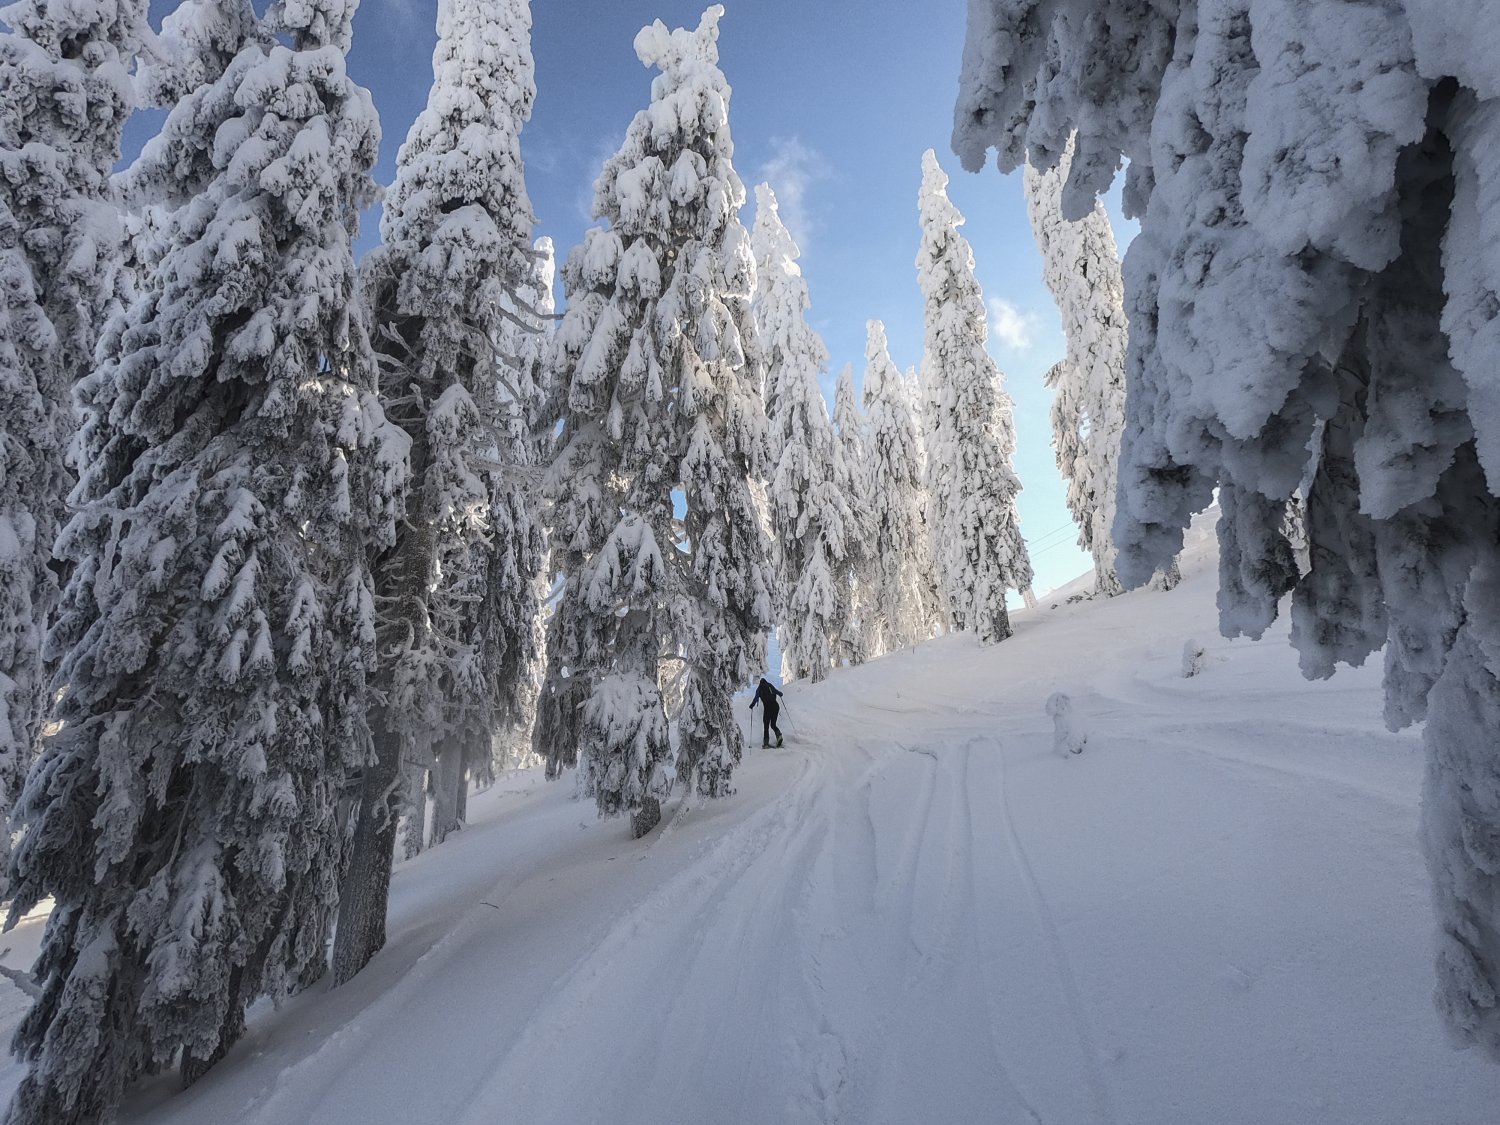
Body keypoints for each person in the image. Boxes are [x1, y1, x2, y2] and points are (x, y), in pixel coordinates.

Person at [749, 676, 784, 748]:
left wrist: (752, 705)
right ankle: (779, 735)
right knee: (773, 724)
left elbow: (756, 698)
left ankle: (766, 743)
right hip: (775, 706)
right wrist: (780, 694)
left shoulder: (759, 688)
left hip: (768, 707)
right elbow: (777, 692)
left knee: (766, 725)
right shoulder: (769, 685)